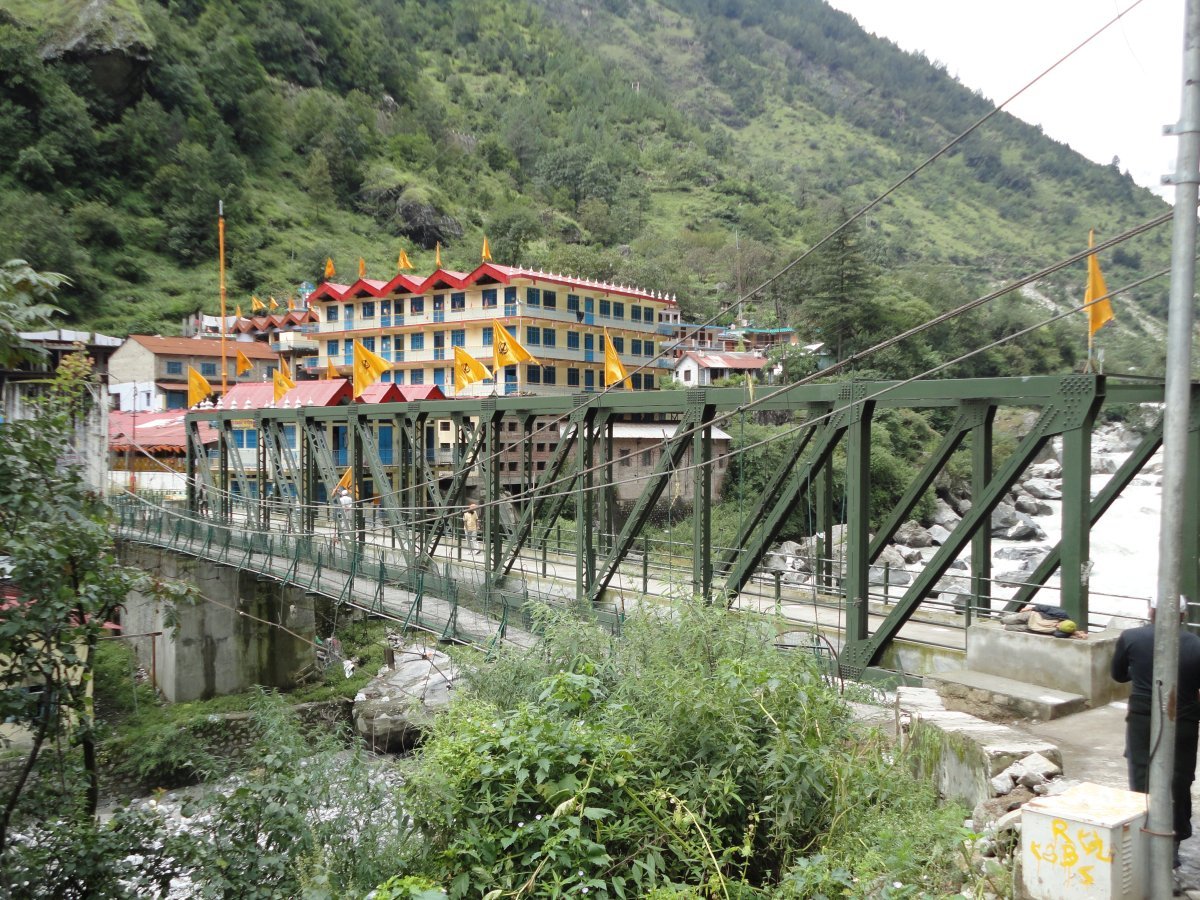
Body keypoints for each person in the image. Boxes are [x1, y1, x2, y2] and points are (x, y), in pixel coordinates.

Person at [1111, 597, 1200, 868]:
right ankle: (1171, 843)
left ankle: (1143, 837)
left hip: (1141, 718)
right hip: (1183, 720)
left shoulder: (1130, 637)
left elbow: (1118, 675)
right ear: (1184, 616)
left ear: (1150, 612)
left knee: (1141, 776)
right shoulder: (1197, 645)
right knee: (1178, 779)